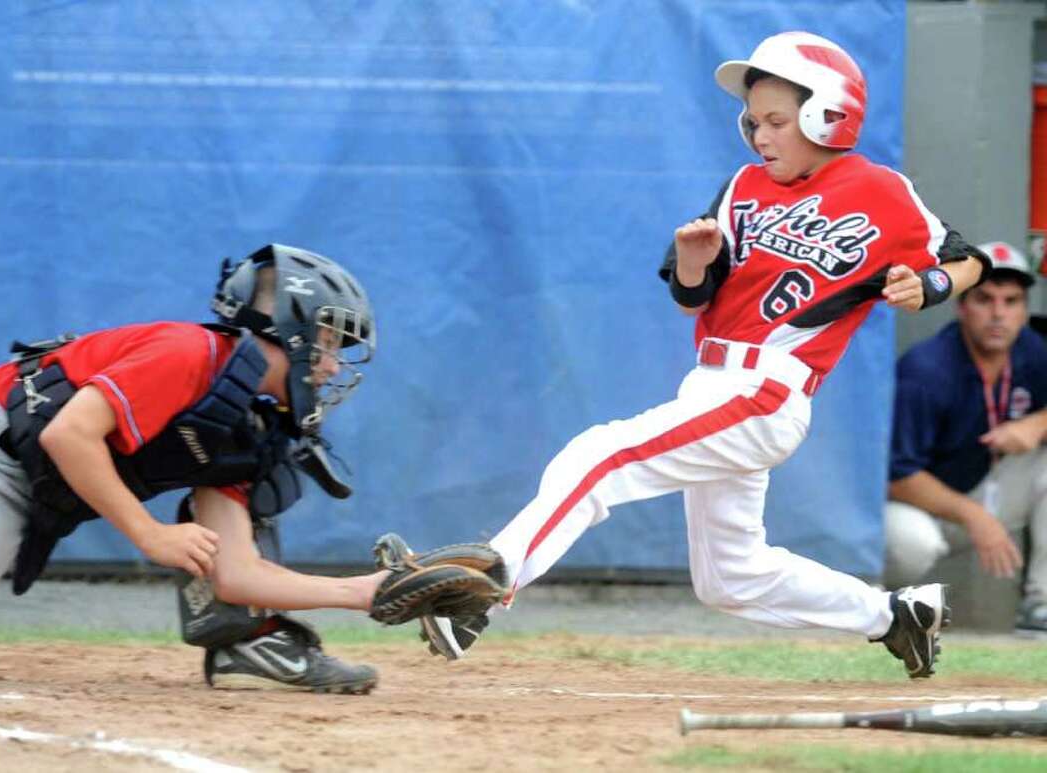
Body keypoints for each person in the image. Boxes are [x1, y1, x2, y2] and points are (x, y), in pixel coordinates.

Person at [405, 31, 990, 678]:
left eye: (776, 120)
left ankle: (486, 585)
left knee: (602, 454)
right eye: (753, 121)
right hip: (711, 384)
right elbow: (693, 298)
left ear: (830, 113)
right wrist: (693, 261)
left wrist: (931, 283)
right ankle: (896, 616)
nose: (760, 135)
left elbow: (968, 260)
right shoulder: (743, 187)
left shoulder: (881, 190)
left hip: (768, 391)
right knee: (729, 577)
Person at [0, 244, 393, 692]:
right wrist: (148, 533)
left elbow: (236, 574)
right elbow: (69, 433)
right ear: (286, 331)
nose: (331, 365)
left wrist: (364, 592)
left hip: (34, 485)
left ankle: (252, 646)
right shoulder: (192, 354)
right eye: (324, 344)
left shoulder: (248, 428)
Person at [885, 241, 1047, 636]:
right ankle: (876, 613)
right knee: (912, 543)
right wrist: (975, 518)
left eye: (1011, 301)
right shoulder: (927, 369)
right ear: (962, 306)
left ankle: (1041, 607)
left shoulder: (1032, 350)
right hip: (921, 510)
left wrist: (1038, 423)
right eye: (985, 299)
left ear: (1024, 309)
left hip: (989, 490)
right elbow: (895, 475)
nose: (998, 314)